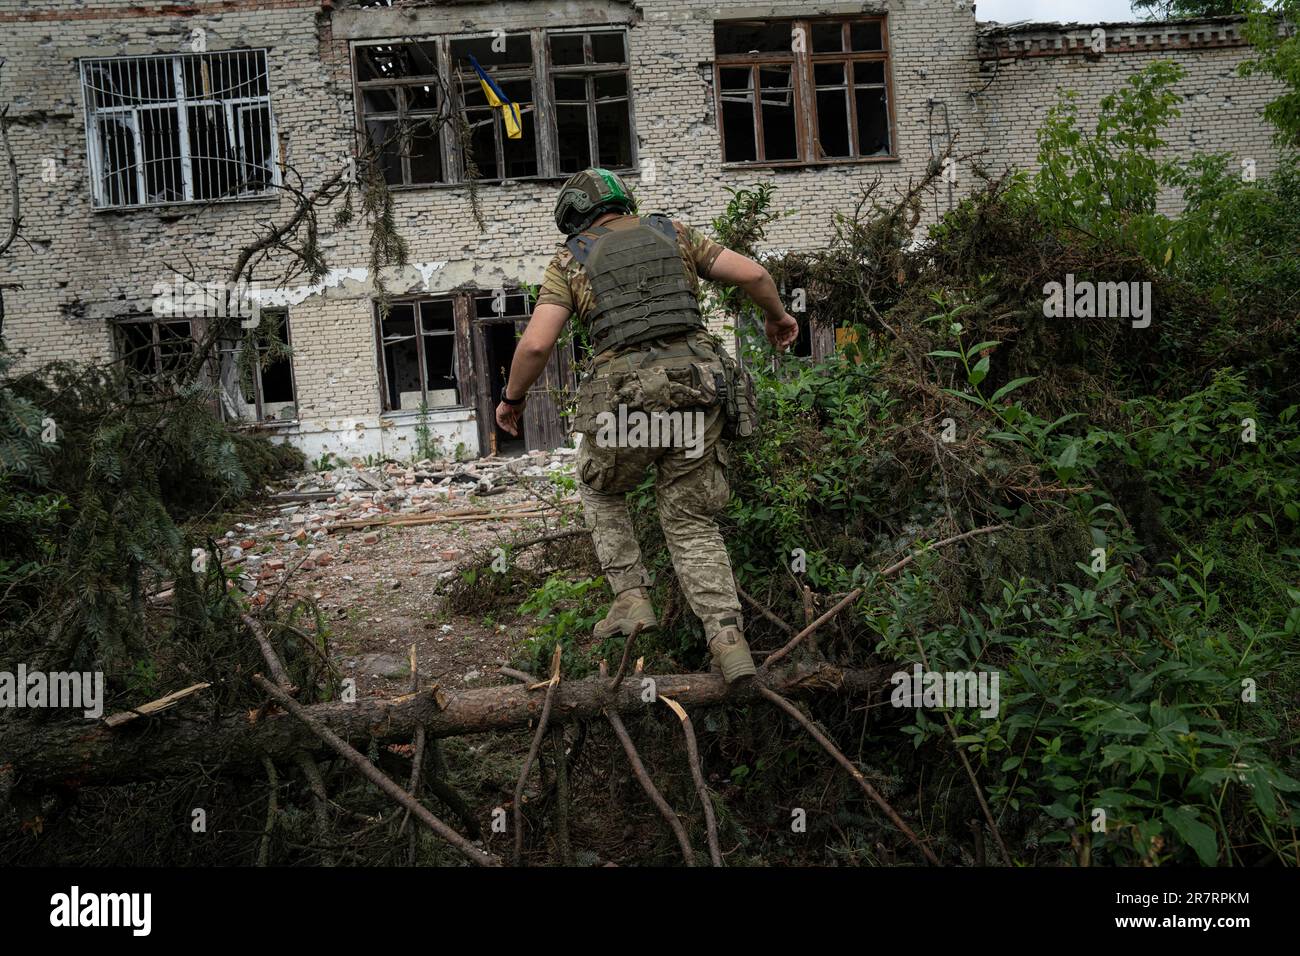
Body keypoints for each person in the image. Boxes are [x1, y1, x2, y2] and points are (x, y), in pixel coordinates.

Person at [496, 168, 798, 683]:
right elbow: (753, 276)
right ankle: (728, 641)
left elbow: (536, 345)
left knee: (599, 487)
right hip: (699, 398)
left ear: (572, 217)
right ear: (624, 199)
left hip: (630, 412)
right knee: (690, 521)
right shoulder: (673, 233)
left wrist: (512, 399)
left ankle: (632, 598)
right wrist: (777, 317)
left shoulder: (571, 259)